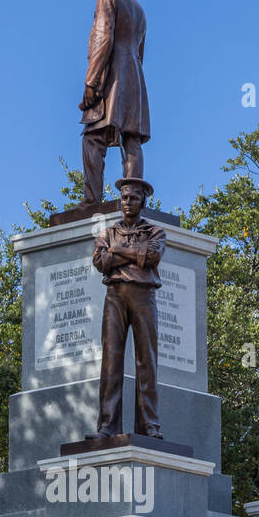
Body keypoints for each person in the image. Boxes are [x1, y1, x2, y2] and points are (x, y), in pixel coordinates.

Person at [91, 178, 166, 438]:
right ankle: (107, 426)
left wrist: (117, 252)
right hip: (115, 295)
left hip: (144, 296)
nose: (126, 202)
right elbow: (101, 261)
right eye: (123, 198)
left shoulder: (155, 232)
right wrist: (135, 252)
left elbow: (153, 256)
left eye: (132, 198)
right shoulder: (107, 232)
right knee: (111, 362)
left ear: (142, 201)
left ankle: (149, 425)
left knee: (147, 361)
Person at [79, 0, 150, 206]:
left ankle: (91, 201)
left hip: (112, 76)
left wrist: (92, 81)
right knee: (132, 138)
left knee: (92, 136)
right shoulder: (139, 9)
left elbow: (102, 41)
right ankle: (134, 198)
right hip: (135, 77)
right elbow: (141, 52)